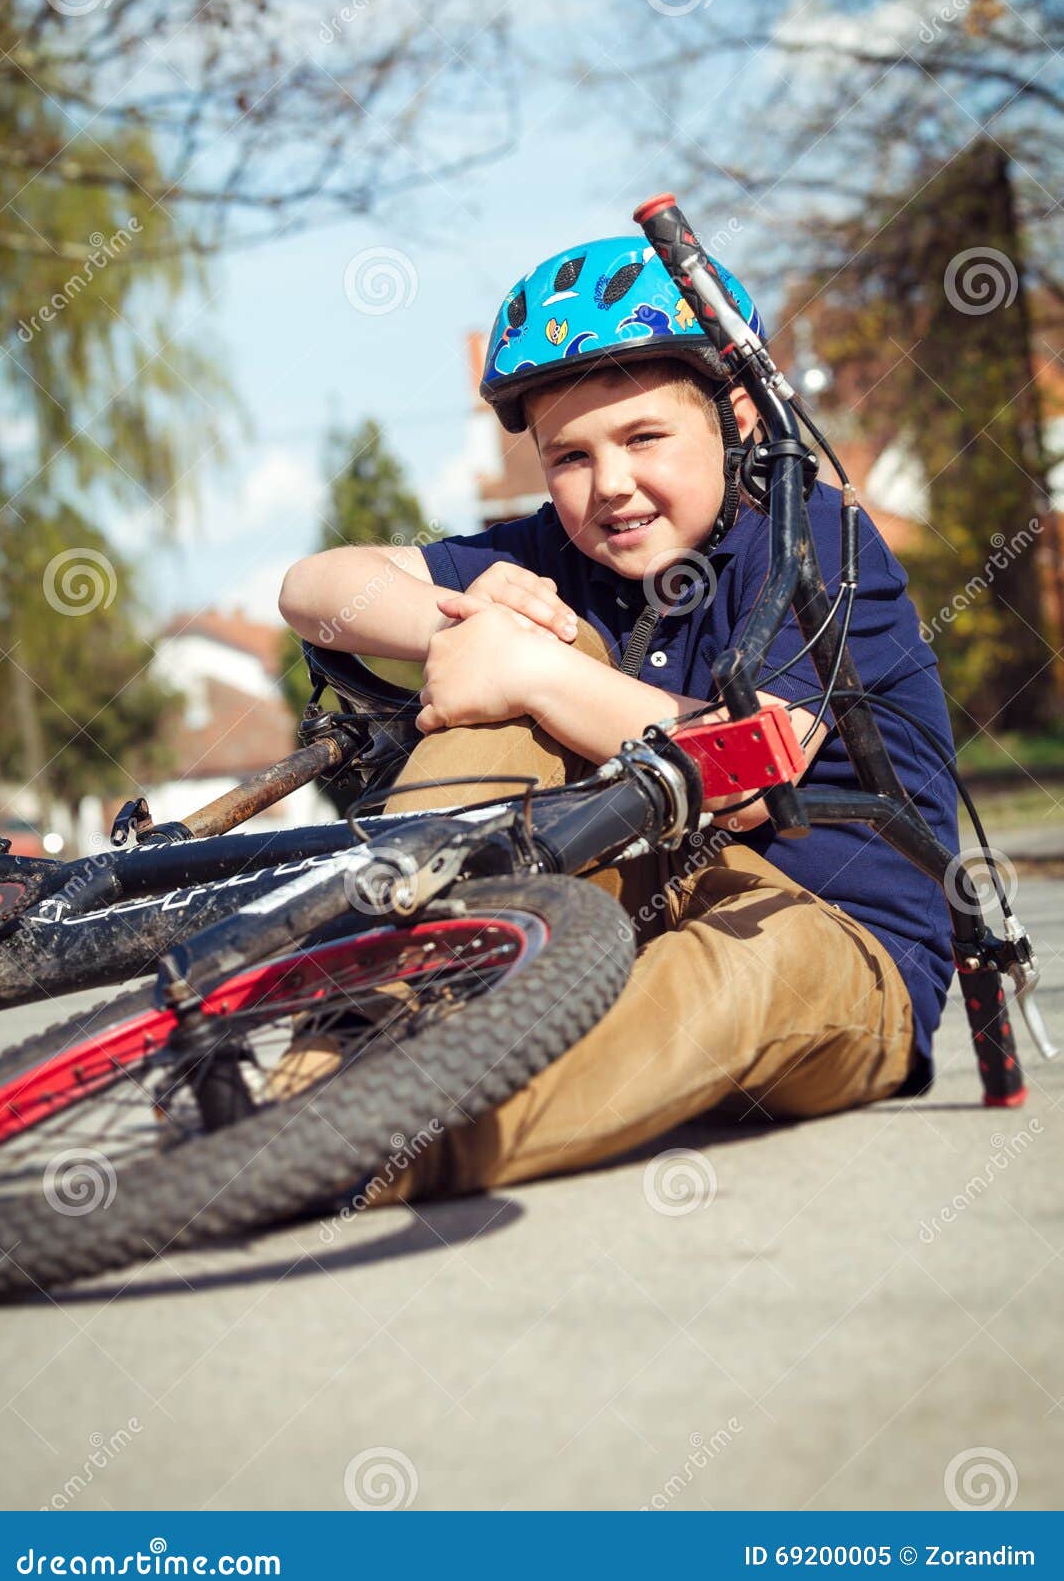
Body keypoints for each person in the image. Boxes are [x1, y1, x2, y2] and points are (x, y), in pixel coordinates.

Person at [278, 234, 959, 1204]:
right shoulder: (556, 552)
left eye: (643, 439)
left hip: (834, 937)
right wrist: (462, 630)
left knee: (732, 975)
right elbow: (314, 587)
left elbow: (757, 779)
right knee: (494, 666)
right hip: (626, 906)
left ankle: (393, 1143)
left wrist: (535, 671)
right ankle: (344, 1038)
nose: (610, 485)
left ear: (730, 424)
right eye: (569, 455)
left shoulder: (810, 537)